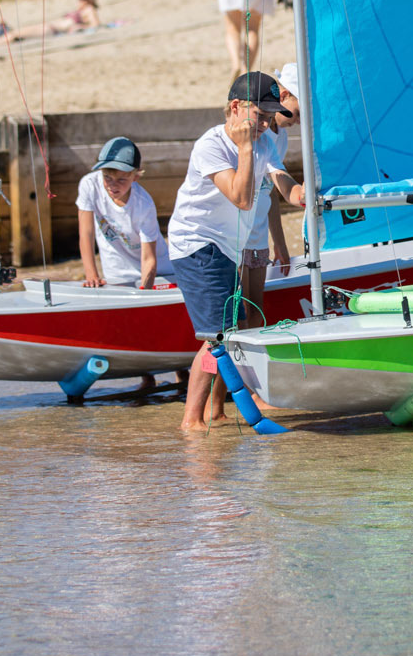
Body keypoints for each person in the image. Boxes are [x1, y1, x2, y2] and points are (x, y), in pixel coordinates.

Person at [167, 72, 288, 431]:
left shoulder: (263, 142)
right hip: (196, 244)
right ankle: (191, 420)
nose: (266, 124)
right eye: (261, 115)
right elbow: (241, 196)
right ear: (235, 108)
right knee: (218, 337)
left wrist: (301, 195)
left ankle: (217, 412)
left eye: (270, 117)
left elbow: (280, 180)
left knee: (230, 332)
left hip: (227, 249)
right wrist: (246, 148)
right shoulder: (211, 145)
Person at [237, 63, 306, 328]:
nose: (298, 121)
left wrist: (280, 243)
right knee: (241, 312)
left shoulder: (280, 139)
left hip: (258, 234)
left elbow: (272, 192)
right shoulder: (254, 133)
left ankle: (247, 369)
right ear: (284, 94)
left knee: (256, 311)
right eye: (298, 113)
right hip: (238, 235)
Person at [76, 136, 170, 290]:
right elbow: (86, 233)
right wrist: (91, 275)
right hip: (116, 272)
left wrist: (144, 293)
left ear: (136, 176)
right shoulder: (89, 185)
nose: (112, 186)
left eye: (121, 180)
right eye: (107, 177)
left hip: (160, 272)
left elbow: (148, 259)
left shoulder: (144, 205)